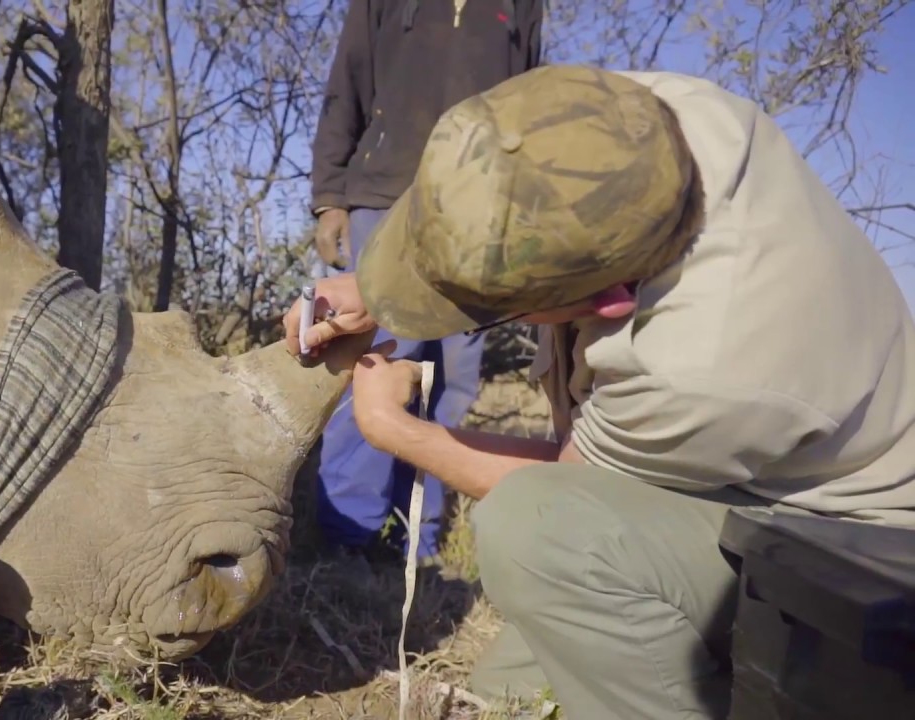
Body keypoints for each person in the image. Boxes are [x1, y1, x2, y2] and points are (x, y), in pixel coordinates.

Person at [285, 64, 915, 719]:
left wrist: (395, 429)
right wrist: (383, 288)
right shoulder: (619, 117)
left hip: (849, 552)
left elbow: (568, 490)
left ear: (609, 304)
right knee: (510, 695)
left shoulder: (698, 363)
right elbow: (506, 189)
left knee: (537, 533)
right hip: (750, 473)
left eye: (486, 311)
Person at [307, 0, 544, 565]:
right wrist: (331, 197)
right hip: (386, 195)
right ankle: (346, 533)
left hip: (481, 209)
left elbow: (531, 108)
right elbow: (348, 82)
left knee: (453, 380)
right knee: (376, 360)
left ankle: (419, 538)